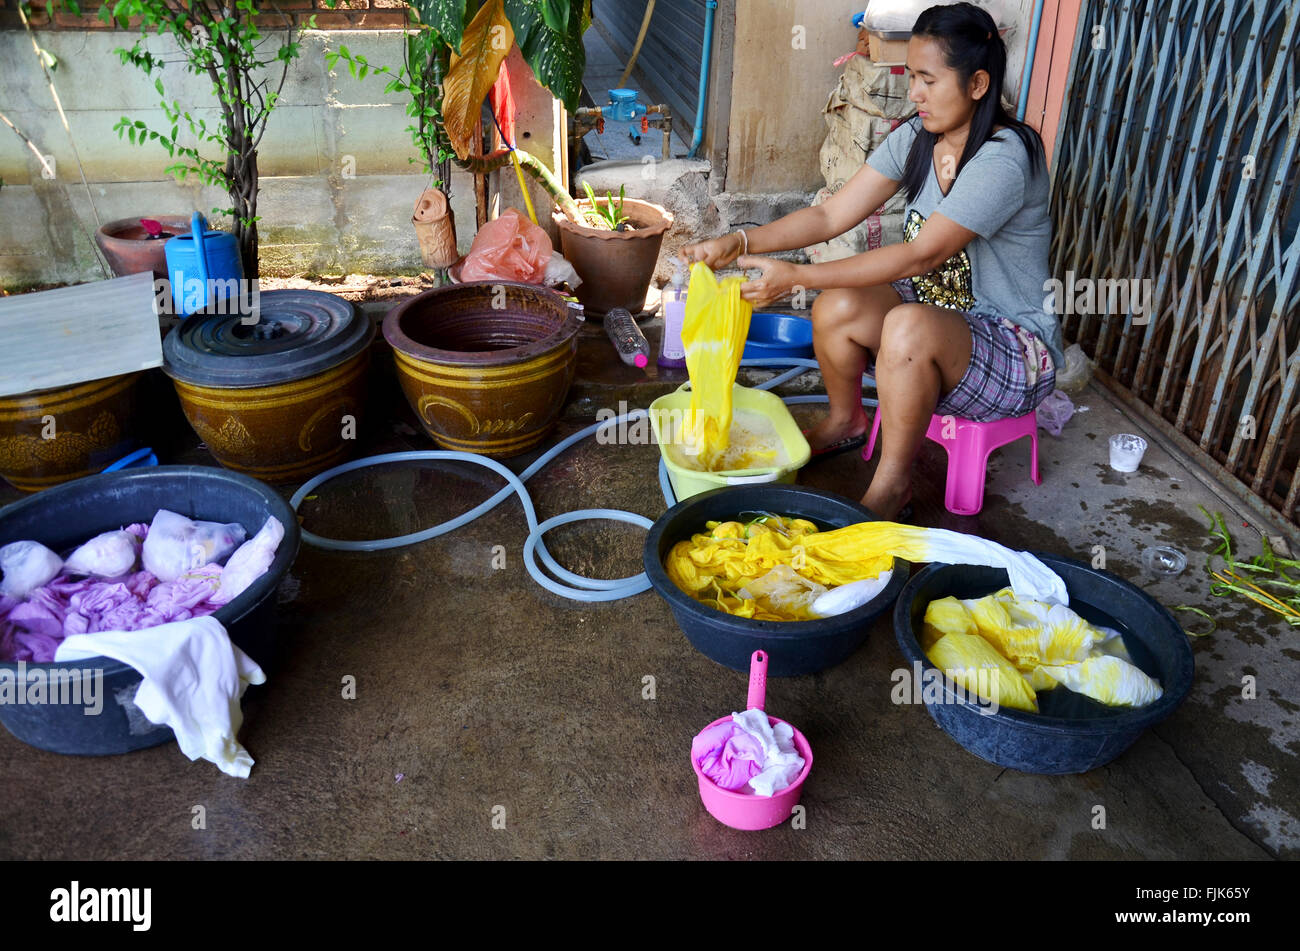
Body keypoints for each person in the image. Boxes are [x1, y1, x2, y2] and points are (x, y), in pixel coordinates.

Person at [682, 2, 1061, 520]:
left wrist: (798, 275)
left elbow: (921, 254)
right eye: (912, 77)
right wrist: (742, 242)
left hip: (1014, 349)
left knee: (904, 324)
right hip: (938, 321)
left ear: (977, 84)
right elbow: (831, 214)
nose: (914, 93)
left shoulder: (1004, 157)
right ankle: (846, 421)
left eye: (928, 79)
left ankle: (890, 486)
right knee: (837, 306)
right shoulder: (917, 137)